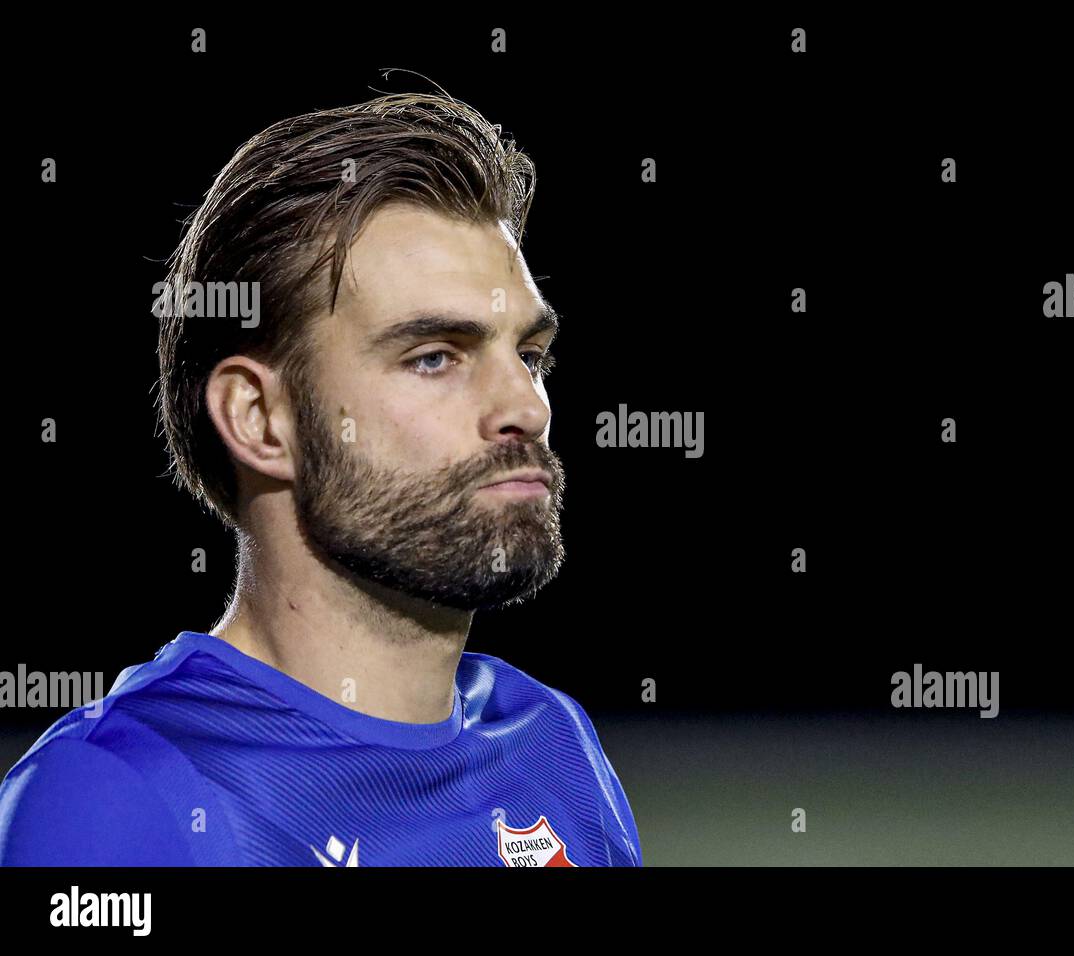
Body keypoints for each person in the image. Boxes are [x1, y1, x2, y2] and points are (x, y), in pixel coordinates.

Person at [0, 88, 641, 867]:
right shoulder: (117, 798)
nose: (525, 407)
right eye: (434, 356)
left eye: (530, 355)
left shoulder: (551, 744)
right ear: (260, 420)